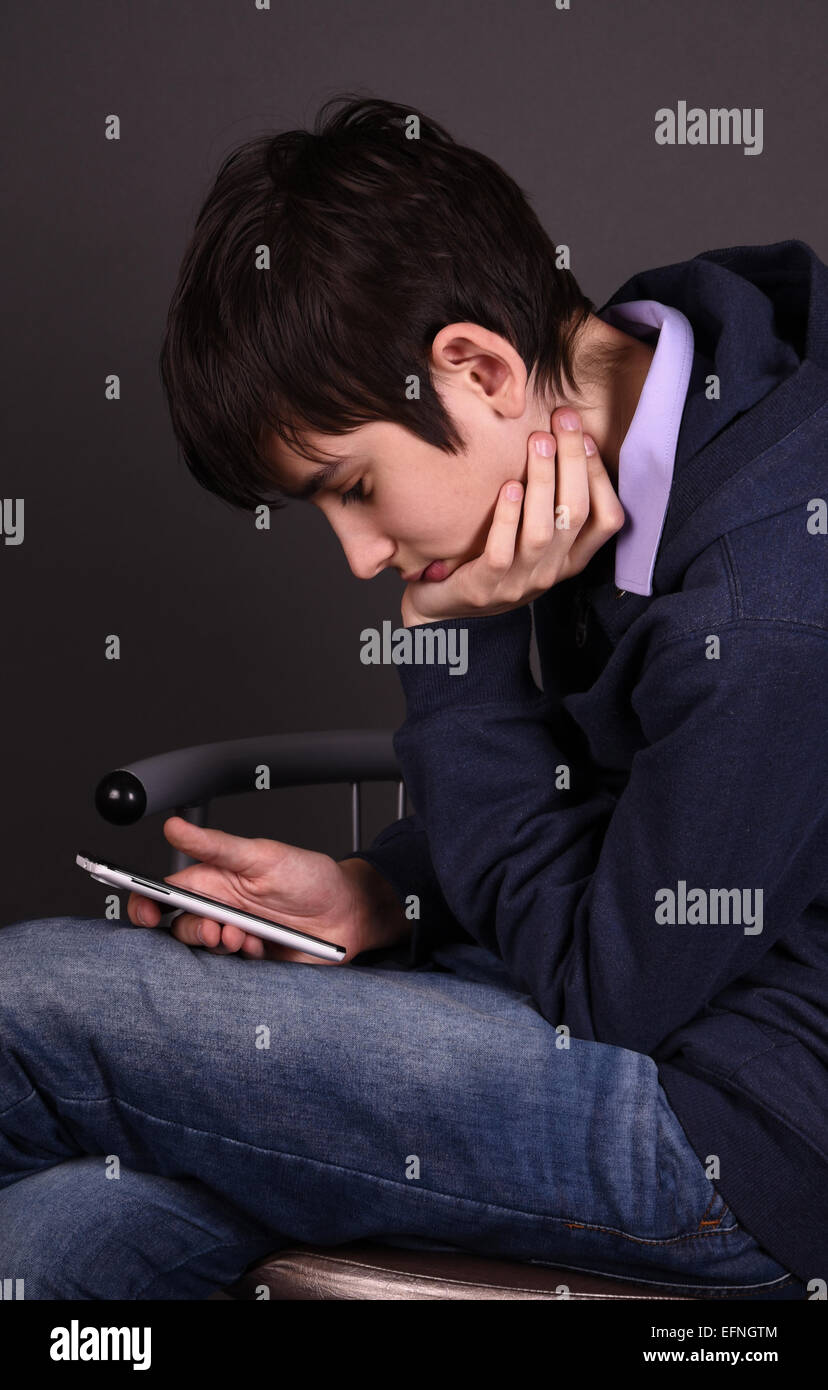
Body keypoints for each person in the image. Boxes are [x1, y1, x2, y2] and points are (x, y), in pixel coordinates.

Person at [1, 95, 825, 1300]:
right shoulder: (646, 387)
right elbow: (620, 816)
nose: (359, 557)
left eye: (352, 487)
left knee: (26, 1002)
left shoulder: (767, 594)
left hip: (729, 1129)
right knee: (61, 1240)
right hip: (611, 994)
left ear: (478, 368)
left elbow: (613, 994)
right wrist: (384, 890)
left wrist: (468, 646)